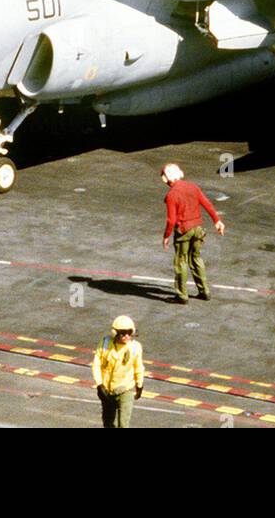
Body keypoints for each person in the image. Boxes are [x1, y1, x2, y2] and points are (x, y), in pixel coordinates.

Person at [160, 163, 225, 304]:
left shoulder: (172, 195)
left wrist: (166, 236)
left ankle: (182, 296)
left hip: (184, 231)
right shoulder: (193, 187)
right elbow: (207, 203)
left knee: (181, 261)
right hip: (198, 229)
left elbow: (171, 220)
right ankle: (204, 291)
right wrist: (217, 221)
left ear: (166, 179)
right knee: (196, 258)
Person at [91, 314, 144, 428]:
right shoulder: (105, 343)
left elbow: (138, 367)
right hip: (108, 391)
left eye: (129, 333)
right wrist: (100, 385)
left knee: (123, 424)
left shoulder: (135, 348)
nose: (126, 336)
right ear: (115, 333)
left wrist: (139, 385)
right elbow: (96, 364)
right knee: (108, 423)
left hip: (125, 390)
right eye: (123, 333)